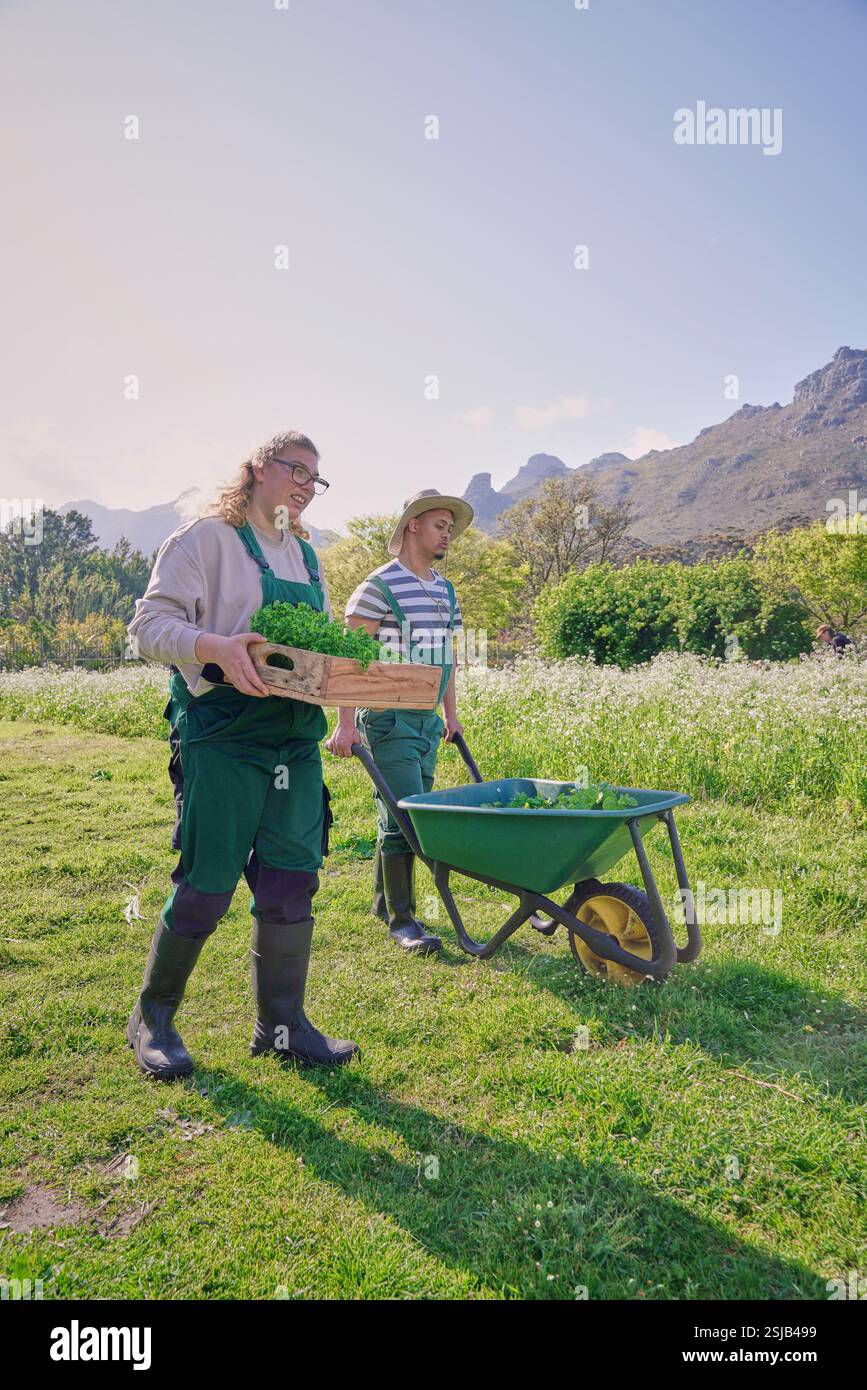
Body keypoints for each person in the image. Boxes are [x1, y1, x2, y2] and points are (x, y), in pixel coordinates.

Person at [126, 431, 359, 1079]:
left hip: (293, 737)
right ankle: (153, 1018)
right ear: (258, 469)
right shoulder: (205, 540)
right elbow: (147, 626)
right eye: (296, 469)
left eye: (317, 478)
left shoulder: (309, 559)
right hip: (222, 732)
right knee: (207, 883)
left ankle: (281, 1027)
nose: (306, 485)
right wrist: (214, 647)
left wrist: (352, 692)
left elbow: (321, 653)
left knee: (291, 881)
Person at [326, 489, 473, 954]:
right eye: (439, 525)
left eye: (451, 528)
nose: (447, 533)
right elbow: (350, 654)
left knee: (402, 808)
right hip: (387, 717)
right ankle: (403, 921)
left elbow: (447, 656)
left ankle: (382, 901)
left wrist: (451, 715)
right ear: (413, 525)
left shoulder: (445, 588)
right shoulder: (379, 585)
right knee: (407, 815)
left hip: (426, 722)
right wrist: (345, 724)